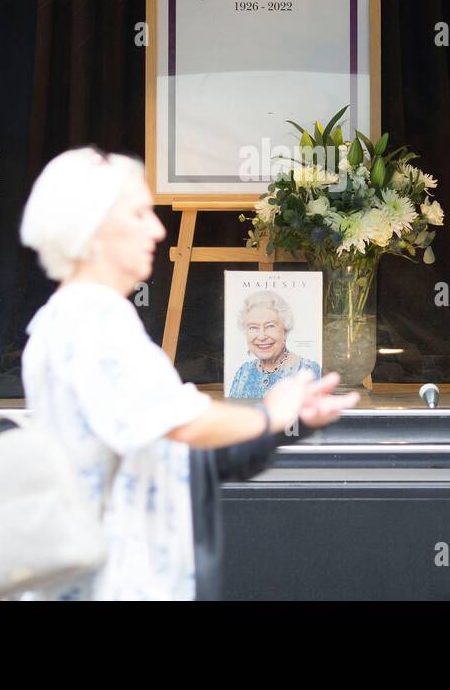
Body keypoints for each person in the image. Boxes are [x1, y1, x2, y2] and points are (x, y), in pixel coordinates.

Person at [18, 147, 357, 600]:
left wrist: (293, 419)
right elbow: (184, 425)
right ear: (92, 230)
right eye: (139, 214)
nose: (158, 230)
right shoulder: (88, 322)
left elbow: (184, 450)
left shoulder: (93, 319)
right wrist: (269, 416)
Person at [228, 290, 322, 398]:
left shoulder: (307, 371)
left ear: (285, 330)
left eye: (270, 326)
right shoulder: (243, 372)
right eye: (253, 327)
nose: (262, 336)